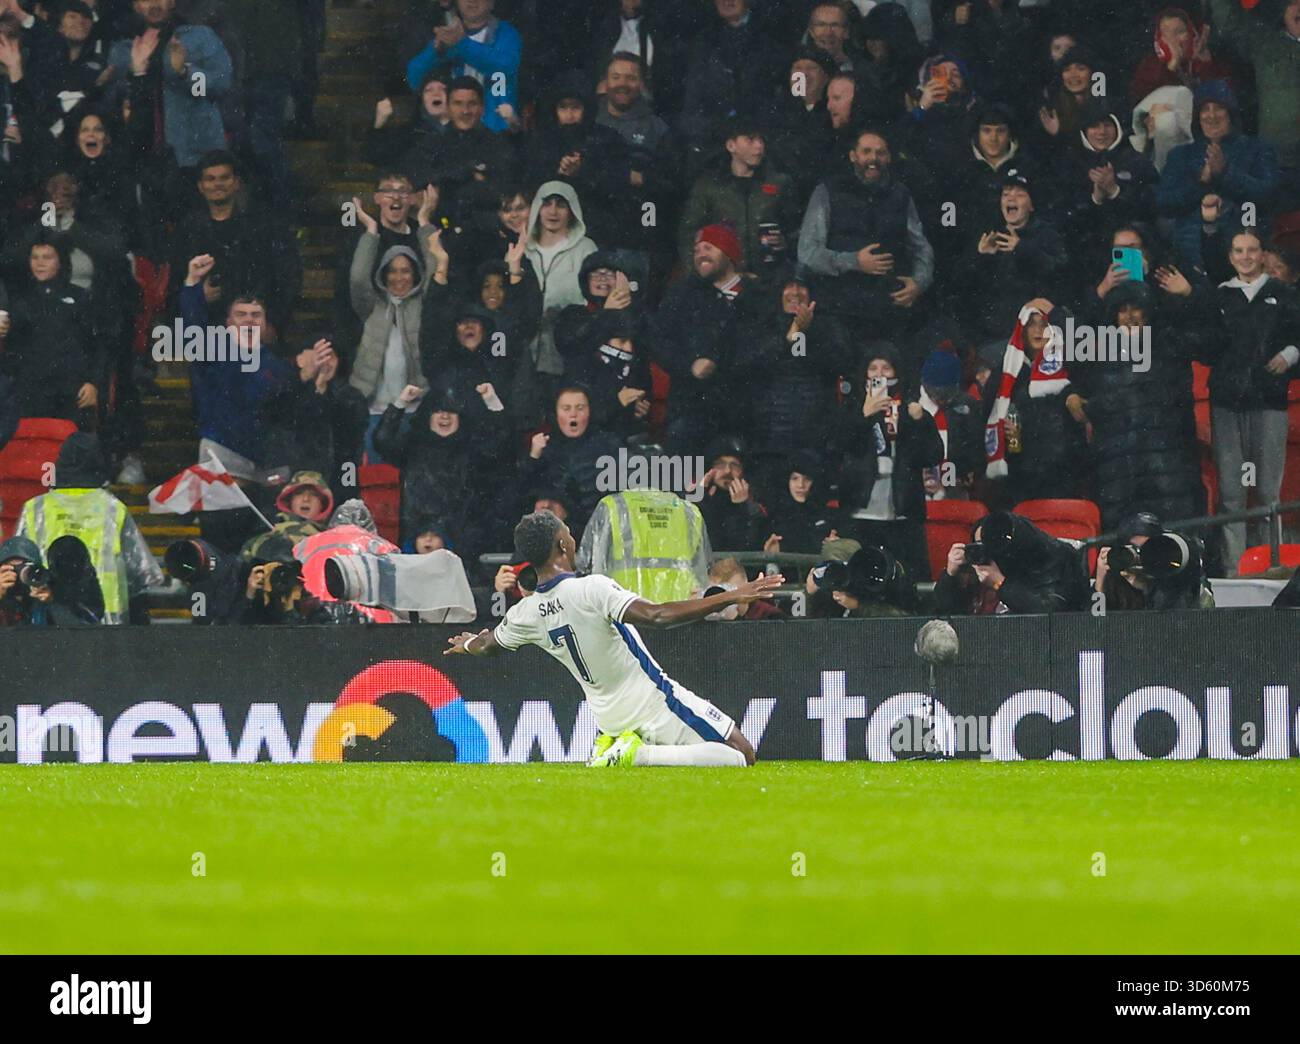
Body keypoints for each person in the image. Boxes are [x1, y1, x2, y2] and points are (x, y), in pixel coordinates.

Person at [444, 508, 783, 767]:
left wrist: (468, 644)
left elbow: (488, 646)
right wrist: (730, 596)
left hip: (608, 716)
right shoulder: (591, 588)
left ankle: (620, 744)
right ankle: (637, 755)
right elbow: (658, 616)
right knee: (741, 755)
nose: (573, 539)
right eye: (569, 534)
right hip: (654, 700)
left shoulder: (526, 612)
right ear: (562, 544)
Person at [16, 432, 162, 623]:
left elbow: (16, 565)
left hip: (48, 623)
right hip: (104, 626)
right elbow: (141, 574)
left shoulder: (35, 508)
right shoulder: (113, 509)